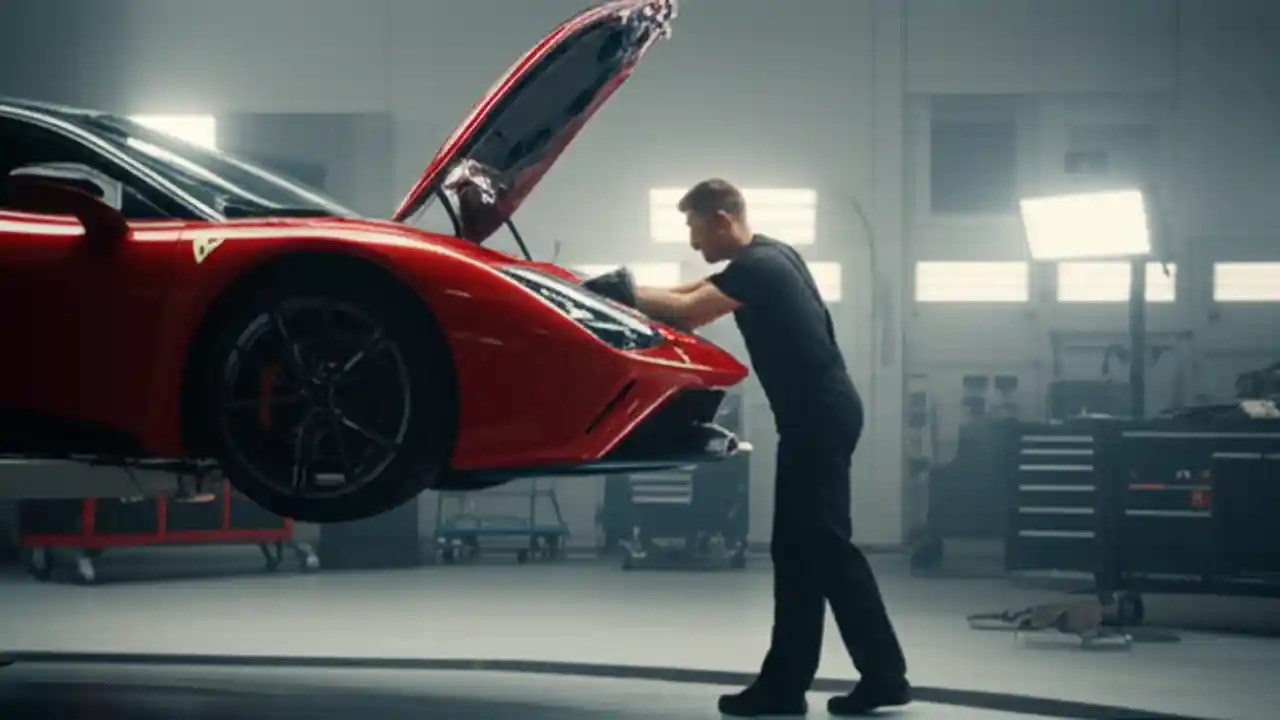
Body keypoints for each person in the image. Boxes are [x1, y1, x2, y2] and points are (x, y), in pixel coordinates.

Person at [631, 179, 911, 717]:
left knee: (825, 548)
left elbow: (687, 313)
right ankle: (785, 685)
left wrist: (617, 291)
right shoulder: (769, 255)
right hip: (817, 416)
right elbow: (688, 293)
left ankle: (885, 676)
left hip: (818, 418)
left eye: (694, 229)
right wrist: (620, 287)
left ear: (721, 219)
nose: (693, 243)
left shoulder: (761, 266)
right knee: (797, 552)